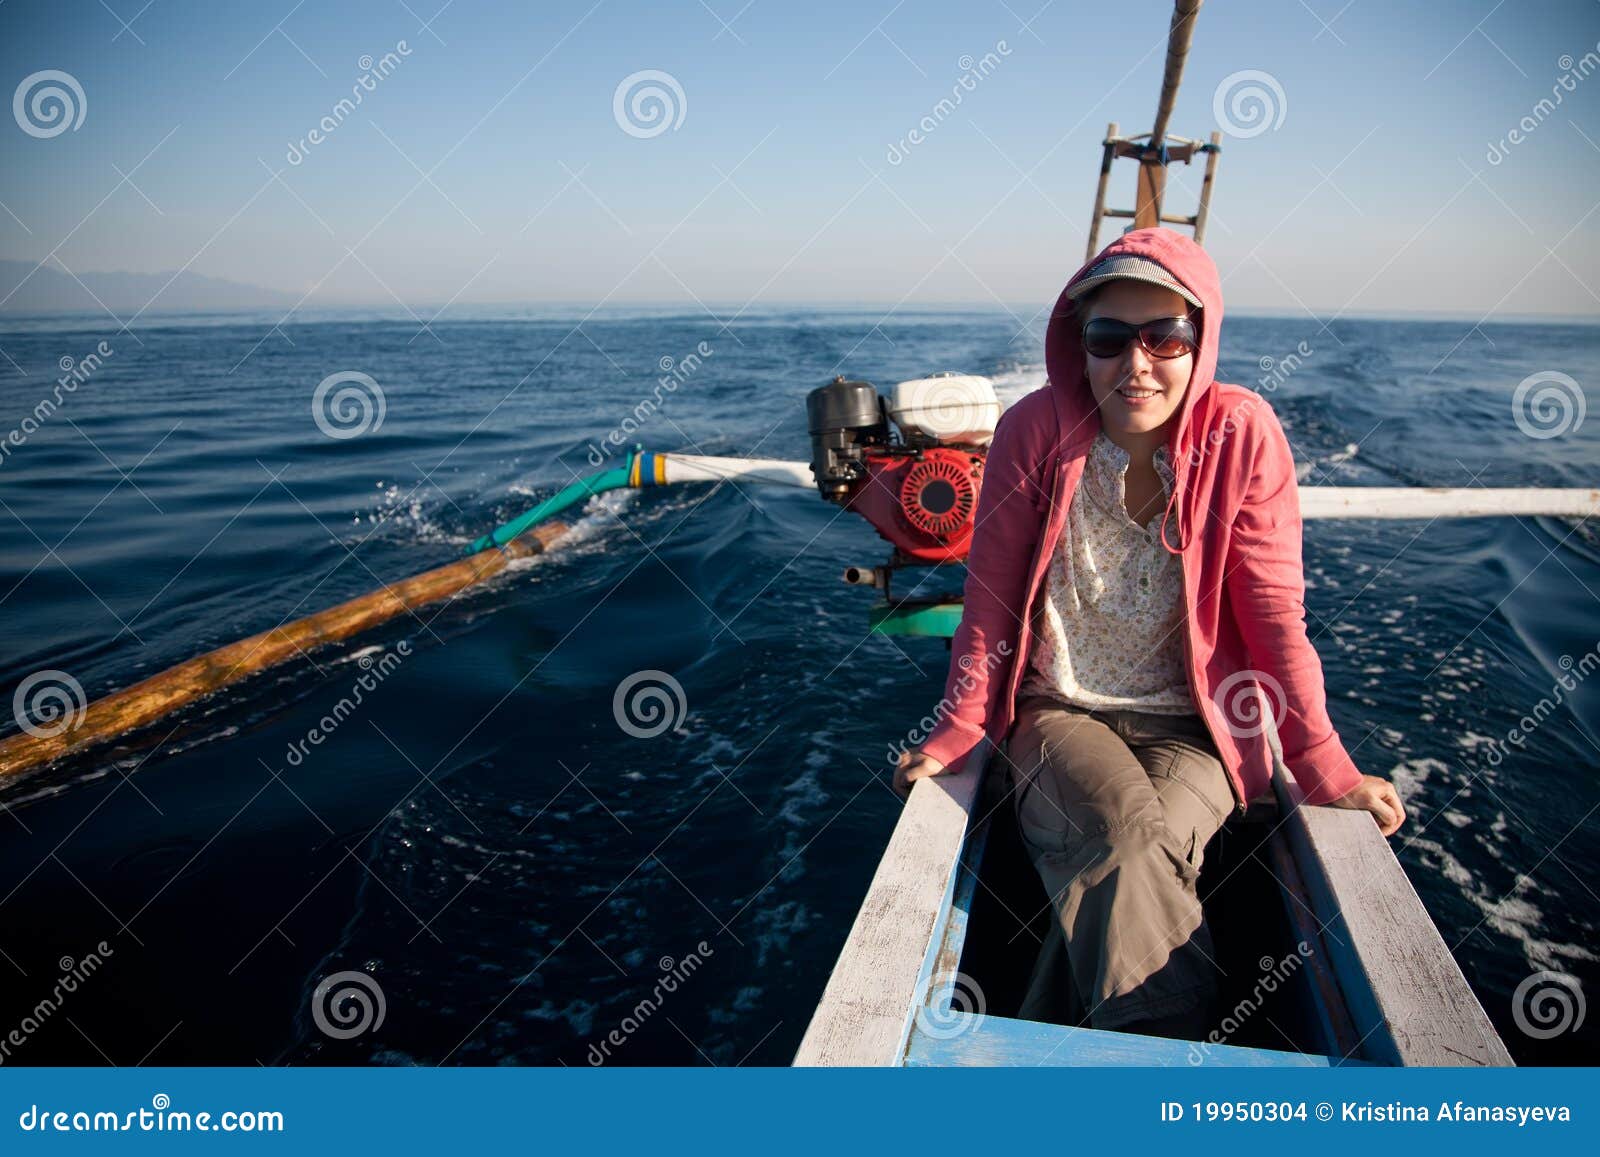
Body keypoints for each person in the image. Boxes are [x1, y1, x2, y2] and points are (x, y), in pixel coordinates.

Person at [892, 226, 1405, 1041]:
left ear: (1201, 341)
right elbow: (987, 604)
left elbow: (1276, 622)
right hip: (1062, 712)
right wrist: (959, 731)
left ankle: (1057, 1045)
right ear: (1078, 344)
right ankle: (1173, 1066)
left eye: (1167, 336)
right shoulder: (1033, 431)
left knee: (1134, 859)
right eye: (1110, 337)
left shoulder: (1243, 434)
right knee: (1127, 839)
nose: (1138, 363)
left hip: (1198, 730)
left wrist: (1323, 766)